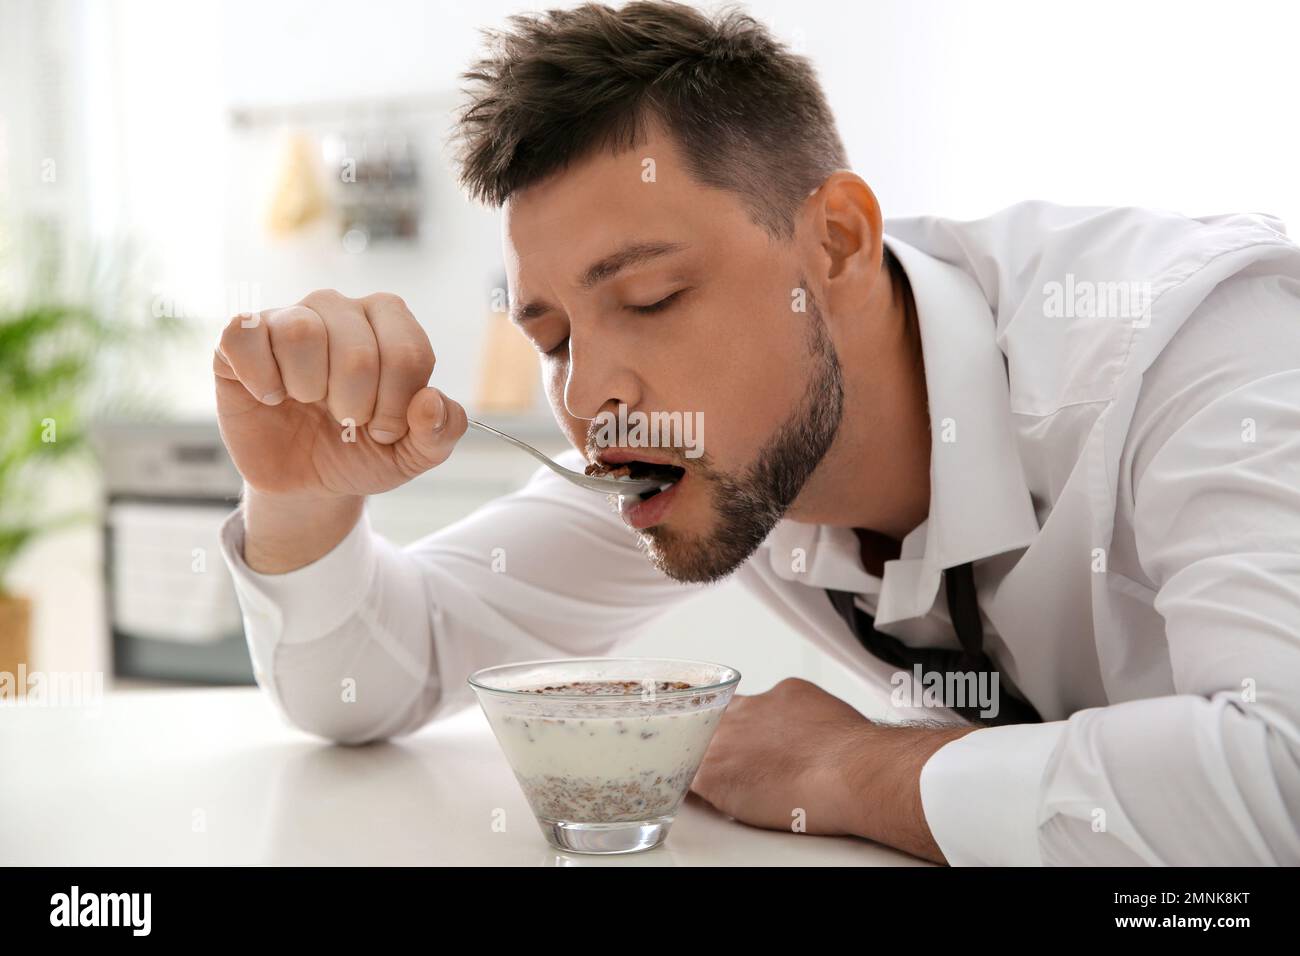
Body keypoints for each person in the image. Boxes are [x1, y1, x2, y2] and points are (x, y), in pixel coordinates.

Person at [214, 1, 1300, 865]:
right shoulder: (706, 455)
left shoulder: (1202, 342)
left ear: (833, 240)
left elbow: (1283, 781)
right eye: (549, 337)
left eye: (648, 298)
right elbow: (366, 686)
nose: (591, 395)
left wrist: (859, 769)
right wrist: (300, 499)